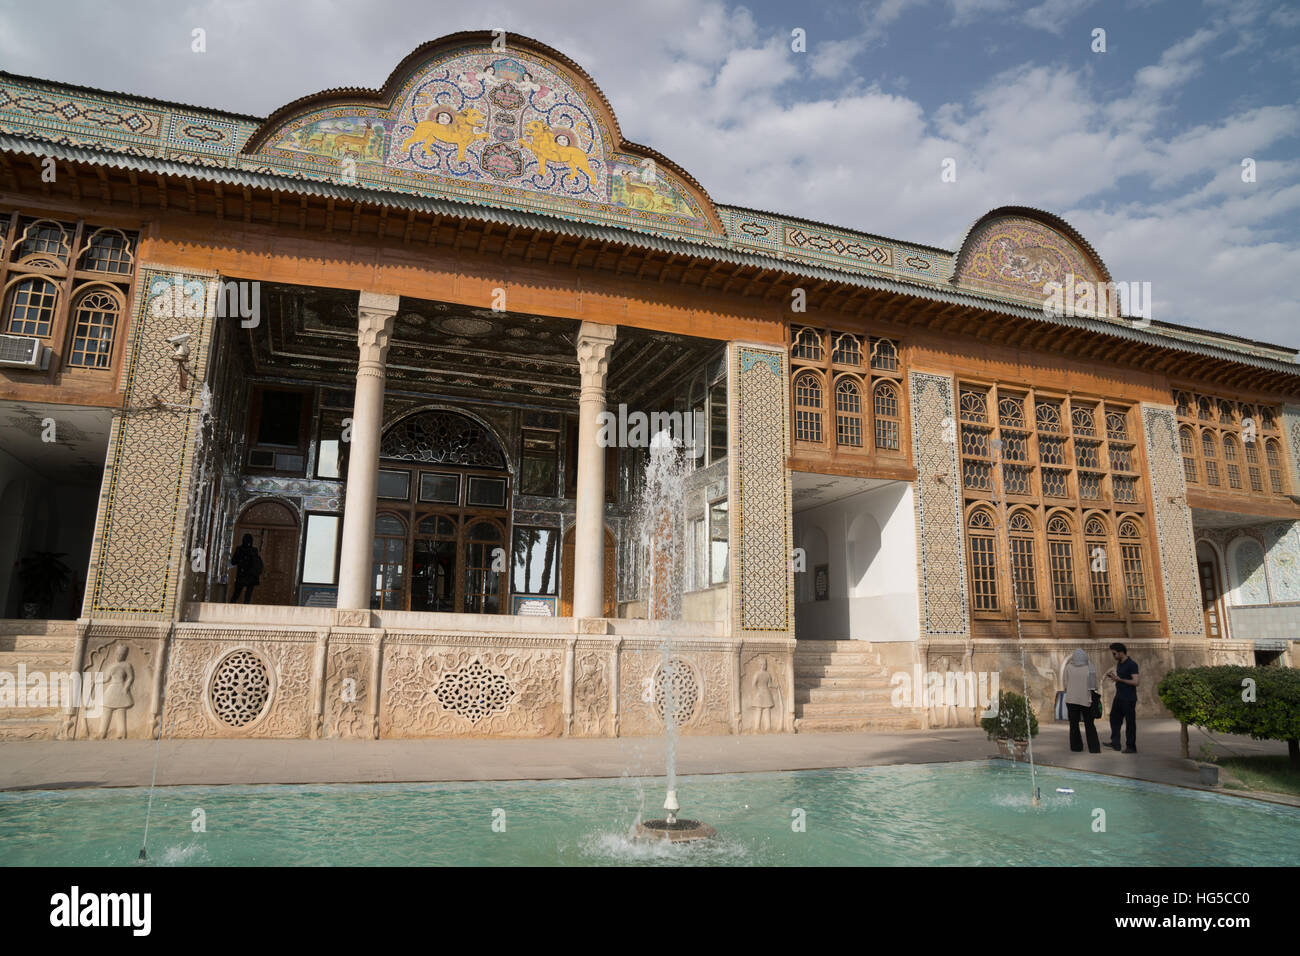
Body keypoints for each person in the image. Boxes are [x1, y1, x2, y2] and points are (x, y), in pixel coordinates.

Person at [1061, 648, 1100, 753]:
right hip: (1086, 700)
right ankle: (1094, 748)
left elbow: (1065, 683)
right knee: (1089, 724)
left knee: (1074, 724)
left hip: (1071, 700)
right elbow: (1094, 686)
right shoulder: (1090, 667)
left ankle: (1076, 747)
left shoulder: (1068, 667)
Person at [1104, 642, 1139, 753]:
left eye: (1114, 654)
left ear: (1121, 652)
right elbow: (1121, 678)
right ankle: (1115, 742)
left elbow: (1136, 681)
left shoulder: (1132, 664)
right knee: (1114, 719)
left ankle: (1131, 747)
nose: (1113, 656)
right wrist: (1114, 678)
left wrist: (1120, 680)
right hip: (1119, 697)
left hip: (1129, 698)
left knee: (1130, 723)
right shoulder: (1120, 663)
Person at [228, 533, 263, 604]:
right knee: (247, 596)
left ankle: (230, 608)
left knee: (236, 594)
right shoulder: (254, 550)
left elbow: (233, 561)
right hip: (251, 576)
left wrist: (241, 561)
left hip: (242, 575)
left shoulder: (239, 550)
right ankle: (245, 610)